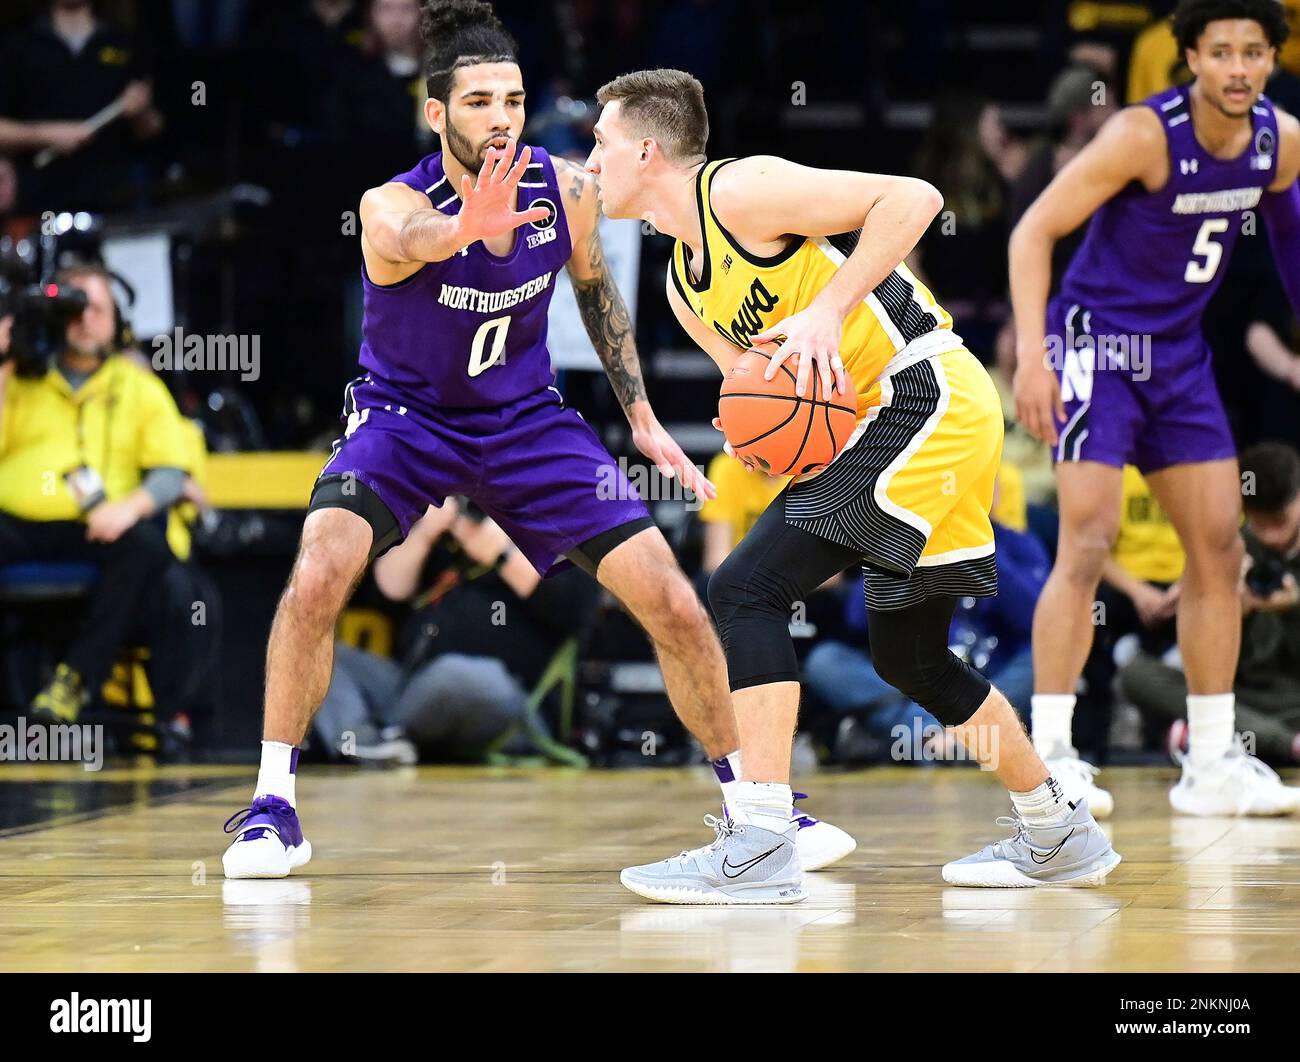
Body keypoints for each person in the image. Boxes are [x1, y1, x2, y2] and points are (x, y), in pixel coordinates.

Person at [220, 0, 855, 880]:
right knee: (319, 568)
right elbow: (412, 237)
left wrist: (637, 415)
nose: (502, 119)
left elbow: (596, 296)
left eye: (513, 100)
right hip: (408, 419)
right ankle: (272, 807)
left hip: (526, 421)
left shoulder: (567, 189)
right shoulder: (390, 205)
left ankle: (760, 806)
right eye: (479, 102)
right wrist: (463, 232)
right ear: (436, 111)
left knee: (671, 599)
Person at [588, 67, 1119, 902]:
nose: (591, 162)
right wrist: (760, 447)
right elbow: (778, 413)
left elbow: (912, 197)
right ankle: (1059, 830)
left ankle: (761, 837)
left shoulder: (744, 191)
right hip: (894, 425)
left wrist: (833, 306)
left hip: (925, 393)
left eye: (601, 143)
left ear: (647, 150)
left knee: (744, 589)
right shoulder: (683, 289)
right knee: (910, 658)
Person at [1010, 0, 1300, 817]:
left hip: (1179, 358)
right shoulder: (1143, 135)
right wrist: (1034, 358)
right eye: (1221, 53)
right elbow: (1031, 232)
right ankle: (1053, 760)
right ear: (1192, 61)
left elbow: (1291, 245)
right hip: (1097, 347)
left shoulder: (1280, 141)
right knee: (1089, 537)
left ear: (1273, 59)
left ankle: (1211, 765)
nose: (1239, 69)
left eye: (1254, 52)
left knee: (1218, 549)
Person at [0, 264, 192, 722]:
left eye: (97, 310)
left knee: (148, 545)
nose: (85, 320)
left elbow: (170, 474)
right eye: (73, 309)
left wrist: (128, 509)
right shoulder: (22, 380)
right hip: (17, 525)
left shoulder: (139, 387)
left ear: (118, 321)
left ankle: (74, 679)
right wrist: (5, 360)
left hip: (98, 528)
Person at [1122, 443, 1300, 774]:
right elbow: (1206, 659)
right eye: (1259, 523)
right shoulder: (1234, 546)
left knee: (1220, 709)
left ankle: (1235, 740)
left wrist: (1291, 608)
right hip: (1238, 691)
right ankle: (1277, 743)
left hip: (1290, 692)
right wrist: (1221, 605)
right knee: (1137, 674)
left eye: (1279, 521)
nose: (1271, 536)